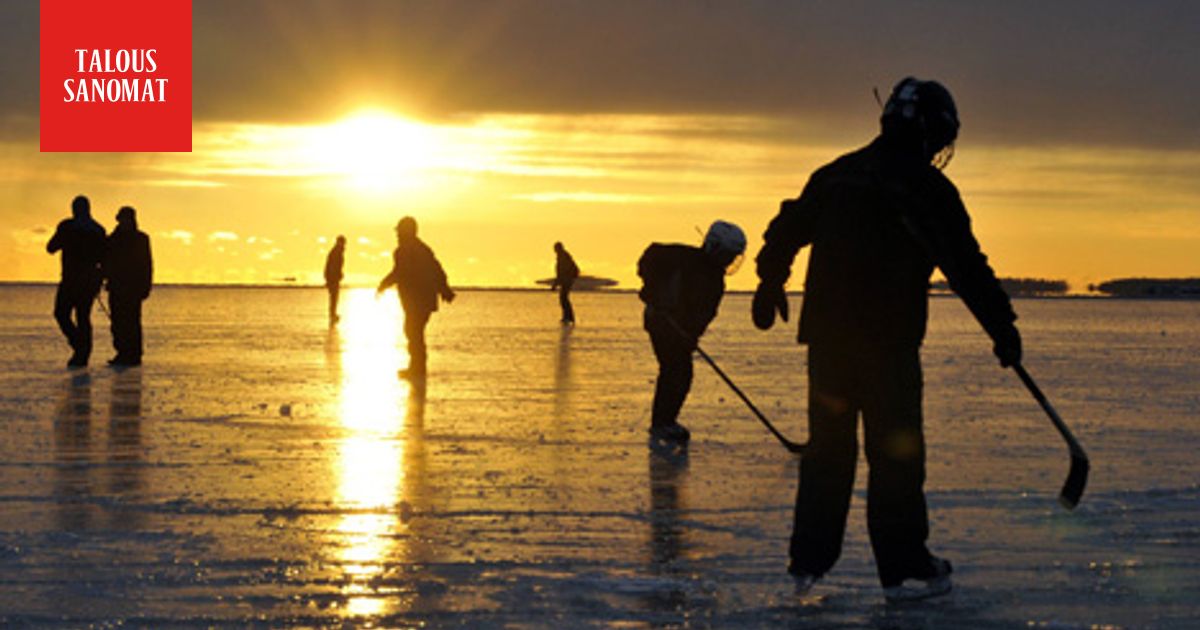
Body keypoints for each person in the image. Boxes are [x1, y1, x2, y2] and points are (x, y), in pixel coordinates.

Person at [752, 77, 1022, 602]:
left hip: (829, 345)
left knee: (828, 454)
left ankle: (807, 566)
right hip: (888, 348)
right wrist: (1002, 326)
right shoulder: (928, 190)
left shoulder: (837, 175)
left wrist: (769, 278)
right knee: (896, 456)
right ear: (930, 133)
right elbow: (966, 266)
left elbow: (786, 228)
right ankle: (902, 568)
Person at [637, 220, 746, 448]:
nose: (729, 260)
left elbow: (706, 312)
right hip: (660, 321)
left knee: (679, 371)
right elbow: (648, 258)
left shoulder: (716, 280)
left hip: (682, 331)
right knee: (675, 370)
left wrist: (693, 334)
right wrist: (652, 289)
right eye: (727, 254)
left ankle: (664, 421)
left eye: (733, 256)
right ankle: (663, 422)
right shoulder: (682, 257)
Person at [376, 217, 455, 379]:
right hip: (422, 300)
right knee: (414, 331)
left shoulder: (406, 251)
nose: (397, 235)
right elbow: (437, 270)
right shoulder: (422, 249)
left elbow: (400, 272)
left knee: (413, 331)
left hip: (417, 300)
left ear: (407, 231)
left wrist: (383, 284)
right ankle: (417, 367)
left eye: (399, 231)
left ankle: (417, 369)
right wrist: (444, 289)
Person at [46, 195, 106, 367]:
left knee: (62, 314)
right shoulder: (98, 230)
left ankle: (79, 348)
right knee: (83, 317)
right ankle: (82, 352)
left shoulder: (67, 227)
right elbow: (104, 257)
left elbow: (51, 248)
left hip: (71, 281)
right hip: (88, 282)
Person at [102, 206, 153, 367]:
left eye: (126, 219)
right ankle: (122, 352)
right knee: (117, 322)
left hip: (133, 288)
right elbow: (105, 261)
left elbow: (147, 264)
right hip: (116, 287)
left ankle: (134, 354)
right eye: (122, 219)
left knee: (132, 322)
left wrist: (146, 286)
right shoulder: (112, 239)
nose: (124, 222)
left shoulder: (141, 239)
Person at [550, 241, 580, 324]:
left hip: (567, 279)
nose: (554, 250)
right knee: (564, 298)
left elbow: (561, 272)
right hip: (567, 279)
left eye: (555, 248)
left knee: (564, 298)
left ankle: (569, 317)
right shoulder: (563, 256)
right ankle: (567, 316)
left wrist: (555, 284)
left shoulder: (563, 256)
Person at [324, 235, 346, 325]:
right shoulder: (336, 252)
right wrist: (332, 279)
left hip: (333, 278)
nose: (344, 245)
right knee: (334, 297)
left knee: (334, 298)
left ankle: (333, 315)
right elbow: (332, 267)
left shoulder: (337, 251)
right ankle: (332, 315)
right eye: (343, 242)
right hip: (333, 279)